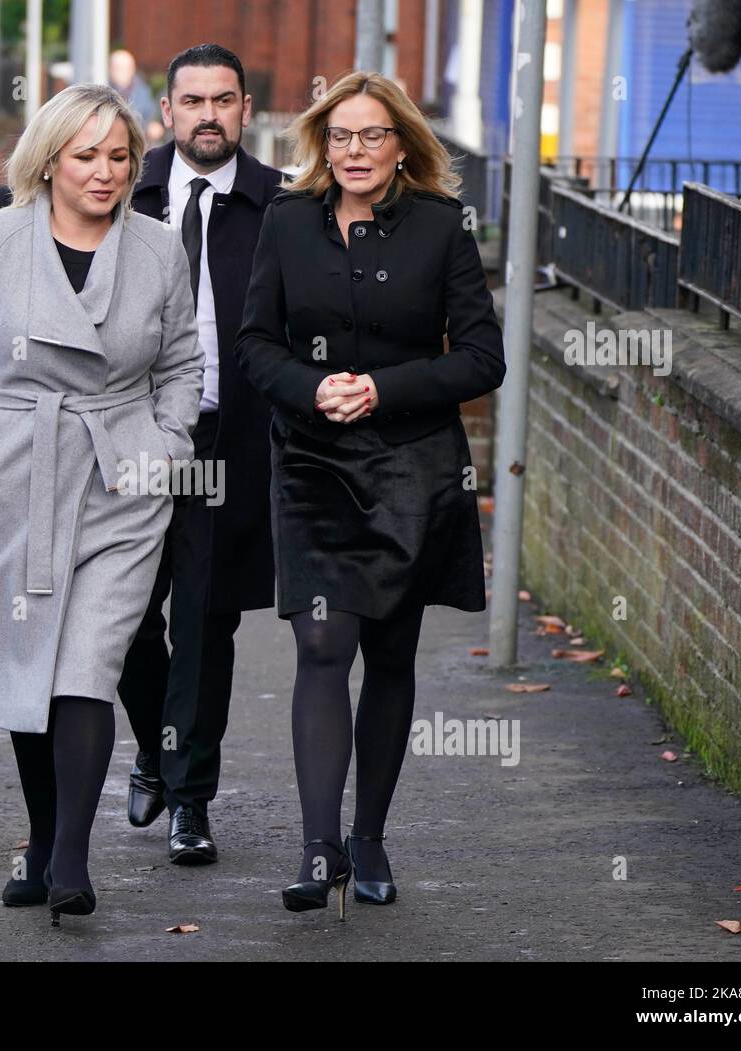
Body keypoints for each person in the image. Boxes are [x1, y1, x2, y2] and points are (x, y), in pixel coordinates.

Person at [0, 83, 202, 926]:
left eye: (120, 156)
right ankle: (42, 843)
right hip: (20, 475)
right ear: (48, 161)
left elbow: (183, 363)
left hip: (124, 481)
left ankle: (73, 861)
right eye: (87, 156)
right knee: (27, 669)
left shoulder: (157, 248)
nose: (106, 172)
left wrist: (168, 448)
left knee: (87, 663)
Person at [235, 71, 505, 919]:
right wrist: (314, 389)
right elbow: (254, 344)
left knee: (389, 654)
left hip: (410, 467)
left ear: (401, 146)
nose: (355, 151)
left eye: (372, 136)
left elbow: (482, 358)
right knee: (322, 646)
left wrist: (382, 390)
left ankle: (370, 837)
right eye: (341, 136)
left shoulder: (439, 228)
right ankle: (318, 850)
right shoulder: (285, 221)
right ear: (323, 142)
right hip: (313, 460)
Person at [120, 43, 284, 865]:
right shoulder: (126, 190)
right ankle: (153, 748)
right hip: (131, 439)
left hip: (229, 438)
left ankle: (190, 798)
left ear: (245, 110)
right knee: (125, 621)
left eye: (224, 100)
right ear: (169, 112)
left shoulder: (279, 205)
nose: (209, 115)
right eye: (193, 101)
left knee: (206, 621)